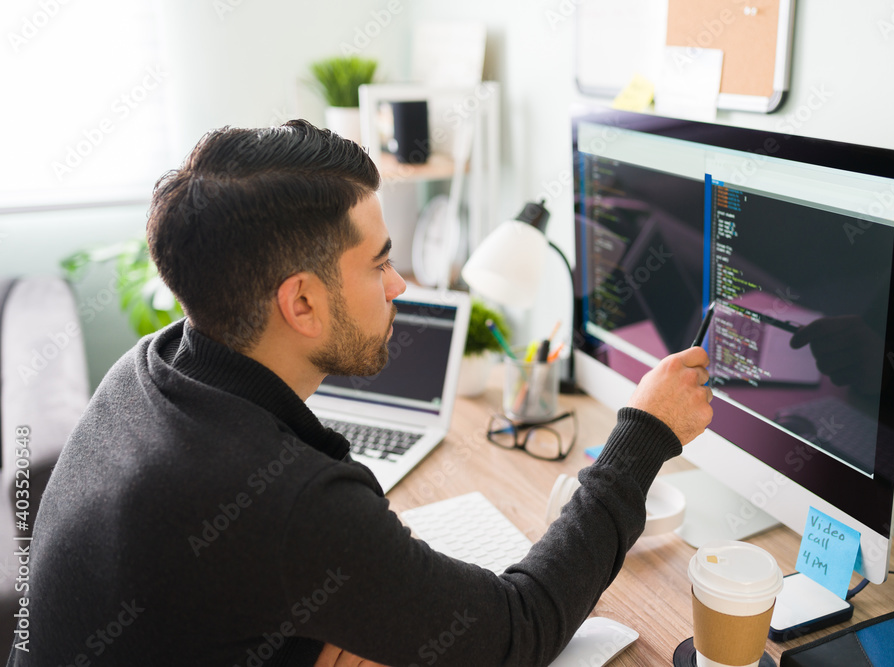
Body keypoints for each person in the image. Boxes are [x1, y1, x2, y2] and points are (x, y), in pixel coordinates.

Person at [10, 120, 712, 666]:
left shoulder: (148, 367)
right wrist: (645, 431)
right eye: (379, 262)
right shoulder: (282, 501)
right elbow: (518, 628)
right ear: (303, 302)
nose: (400, 284)